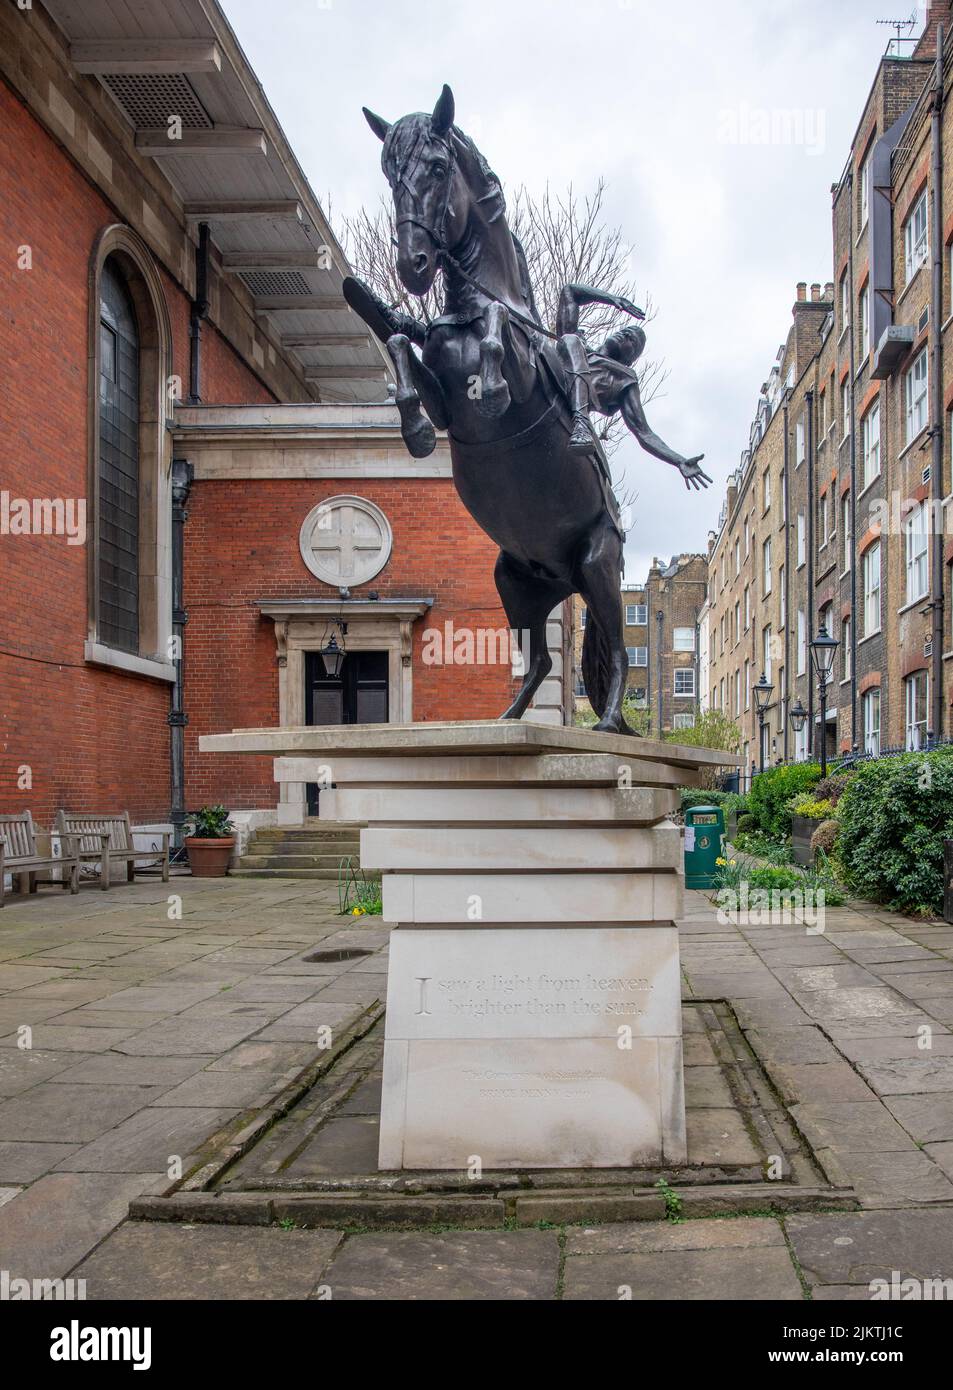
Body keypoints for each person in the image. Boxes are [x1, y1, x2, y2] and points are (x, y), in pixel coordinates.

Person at [555, 284, 711, 491]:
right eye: (625, 331)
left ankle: (581, 422)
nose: (625, 335)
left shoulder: (624, 378)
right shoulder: (581, 344)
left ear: (631, 357)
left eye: (632, 340)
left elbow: (644, 432)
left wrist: (678, 460)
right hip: (551, 380)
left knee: (571, 340)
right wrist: (613, 300)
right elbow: (569, 292)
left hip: (570, 414)